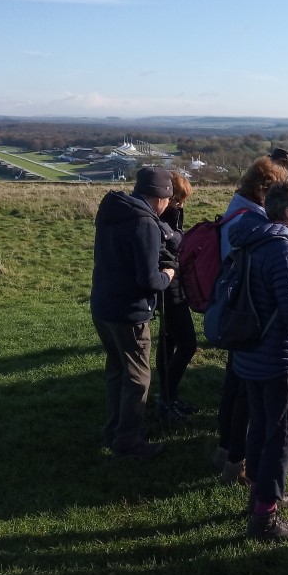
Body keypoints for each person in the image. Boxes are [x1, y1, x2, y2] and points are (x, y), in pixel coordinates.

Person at [229, 177, 288, 542]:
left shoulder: (251, 237)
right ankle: (265, 517)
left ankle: (259, 497)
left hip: (249, 351)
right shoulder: (283, 248)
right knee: (282, 435)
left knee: (261, 427)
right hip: (279, 356)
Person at [212, 156, 288, 484]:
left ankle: (226, 449)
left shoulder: (238, 210)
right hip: (249, 315)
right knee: (244, 394)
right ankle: (235, 458)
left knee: (235, 385)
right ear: (266, 190)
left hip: (238, 311)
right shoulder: (251, 219)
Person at [90, 167, 176, 460]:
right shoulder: (145, 223)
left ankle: (114, 430)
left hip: (103, 306)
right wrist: (168, 274)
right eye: (169, 198)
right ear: (161, 196)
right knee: (138, 377)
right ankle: (127, 442)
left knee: (117, 370)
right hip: (130, 312)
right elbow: (148, 280)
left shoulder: (114, 211)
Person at [155, 171, 198, 423]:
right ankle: (166, 400)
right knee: (187, 344)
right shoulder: (162, 221)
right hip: (169, 288)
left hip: (173, 285)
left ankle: (168, 395)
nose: (181, 205)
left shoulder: (170, 217)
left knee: (168, 341)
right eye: (178, 200)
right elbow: (171, 248)